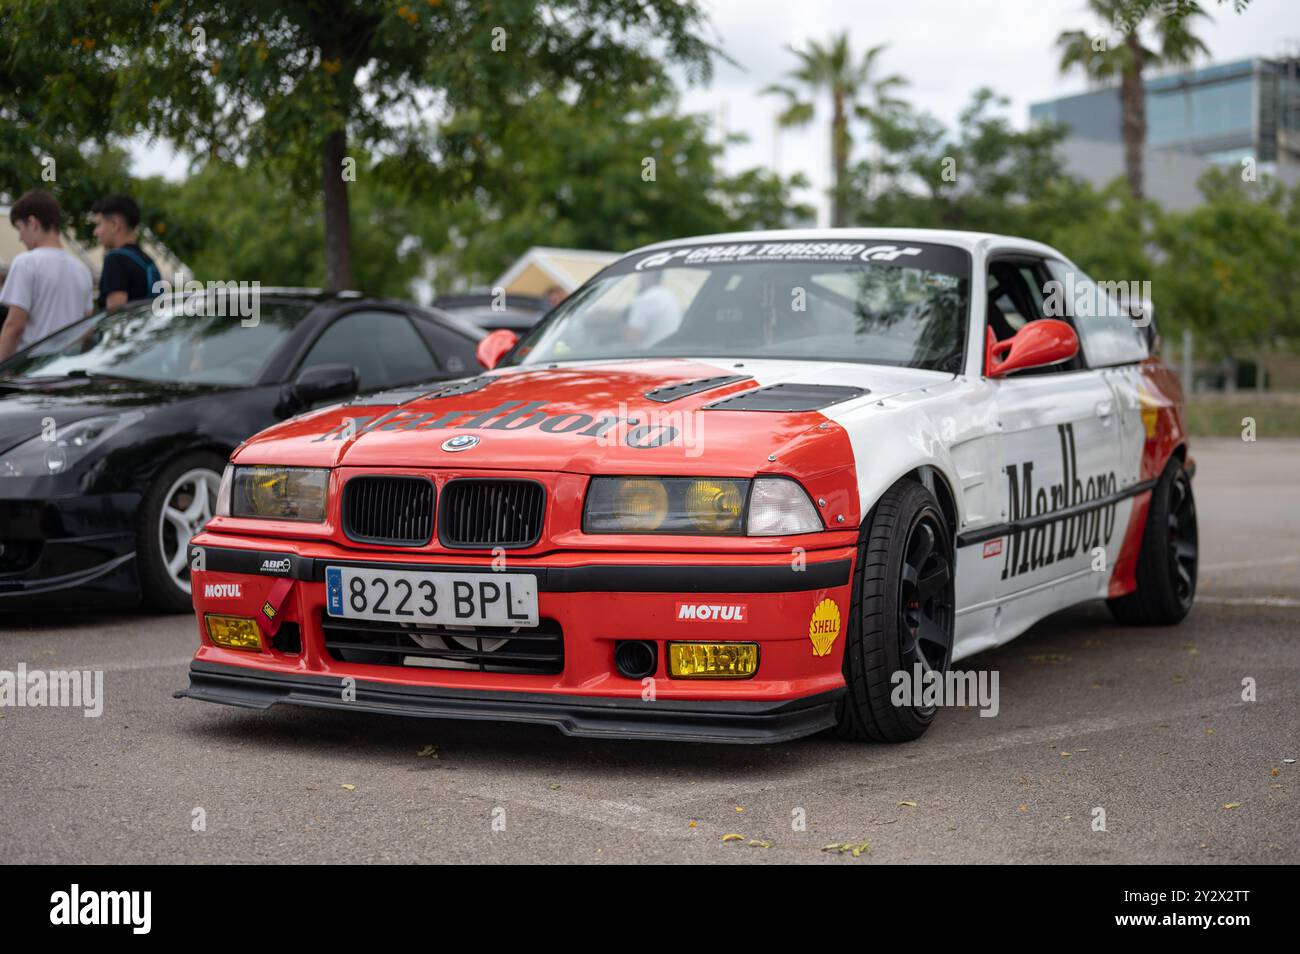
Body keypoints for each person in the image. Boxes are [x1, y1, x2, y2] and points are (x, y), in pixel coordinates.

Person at [0, 189, 94, 361]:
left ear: (32, 222)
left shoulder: (26, 263)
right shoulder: (82, 270)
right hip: (66, 372)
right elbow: (87, 329)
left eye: (20, 229)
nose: (20, 238)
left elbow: (14, 326)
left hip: (31, 372)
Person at [91, 194, 160, 312]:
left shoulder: (115, 259)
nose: (95, 232)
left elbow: (114, 316)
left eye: (98, 224)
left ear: (114, 224)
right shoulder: (147, 261)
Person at [625, 270, 683, 347]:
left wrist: (622, 327)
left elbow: (633, 338)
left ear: (650, 274)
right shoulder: (670, 296)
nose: (639, 278)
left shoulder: (645, 299)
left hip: (648, 353)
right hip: (669, 350)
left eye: (641, 273)